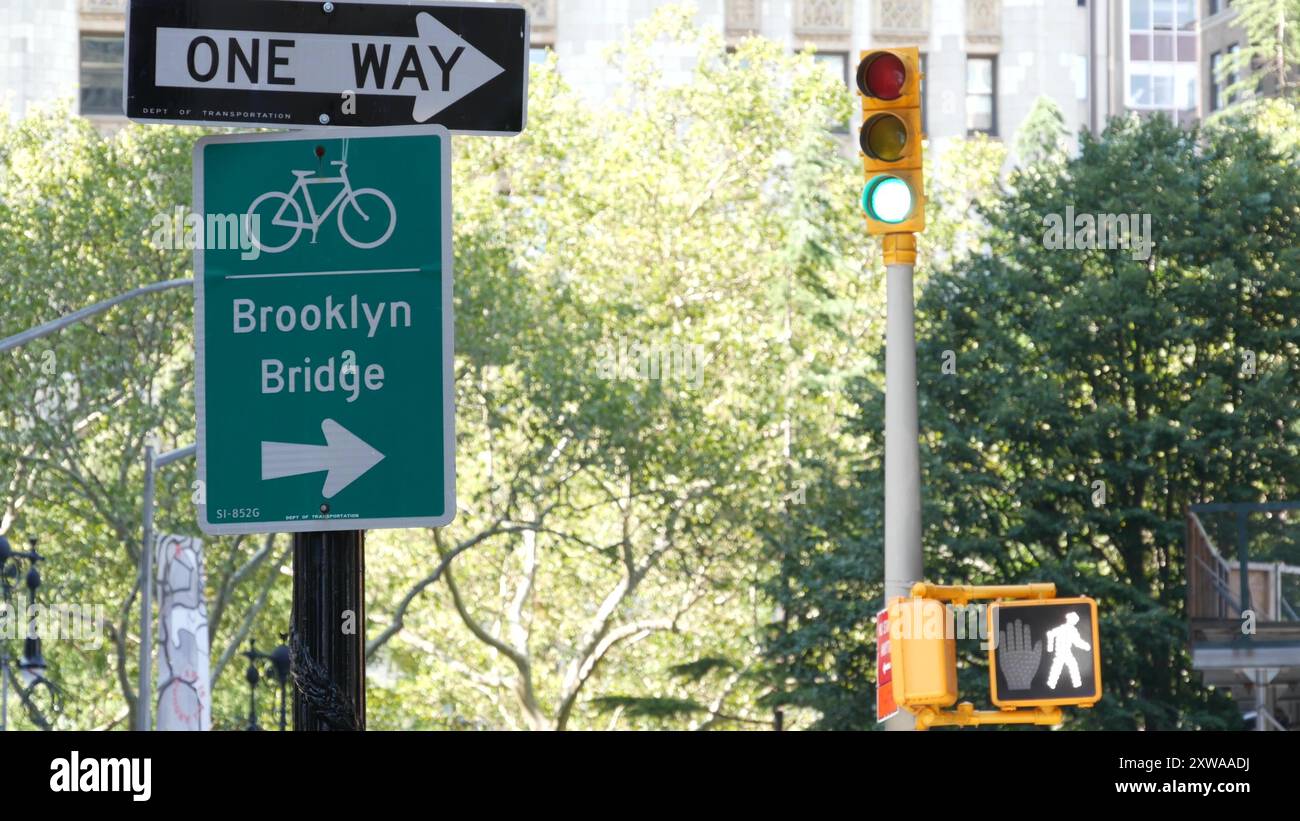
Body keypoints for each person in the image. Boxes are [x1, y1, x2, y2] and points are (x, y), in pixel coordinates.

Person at [1045, 611, 1091, 689]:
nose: (1075, 622)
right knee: (1066, 666)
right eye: (1074, 620)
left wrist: (1086, 647)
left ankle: (1053, 684)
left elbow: (1077, 642)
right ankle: (1075, 684)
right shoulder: (1064, 629)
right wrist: (1050, 647)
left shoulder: (1071, 629)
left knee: (1066, 666)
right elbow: (1050, 634)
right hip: (1061, 652)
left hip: (1065, 652)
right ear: (1070, 619)